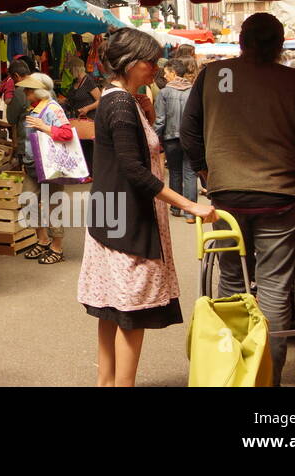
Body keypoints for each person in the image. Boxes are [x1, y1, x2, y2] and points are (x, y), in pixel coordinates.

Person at [180, 13, 295, 385]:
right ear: (280, 44)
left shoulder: (213, 75)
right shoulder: (294, 81)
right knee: (276, 288)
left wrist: (204, 170)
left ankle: (231, 375)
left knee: (231, 282)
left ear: (242, 41)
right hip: (282, 197)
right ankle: (267, 377)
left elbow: (188, 130)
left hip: (227, 195)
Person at [78, 27, 218, 387]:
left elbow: (132, 153)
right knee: (130, 312)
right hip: (128, 222)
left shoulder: (119, 99)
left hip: (112, 216)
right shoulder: (121, 102)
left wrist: (151, 114)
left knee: (112, 309)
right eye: (149, 61)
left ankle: (106, 383)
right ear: (127, 63)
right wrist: (192, 204)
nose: (156, 67)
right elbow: (135, 170)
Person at [20, 72, 75, 265]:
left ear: (38, 91)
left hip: (50, 166)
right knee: (28, 200)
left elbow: (67, 133)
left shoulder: (52, 108)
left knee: (53, 205)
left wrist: (44, 127)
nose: (25, 91)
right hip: (33, 165)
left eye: (29, 89)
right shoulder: (34, 107)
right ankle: (42, 240)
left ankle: (56, 248)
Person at [154, 57, 197, 221]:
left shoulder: (164, 92)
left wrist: (152, 136)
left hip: (171, 139)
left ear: (173, 73)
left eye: (166, 73)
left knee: (175, 172)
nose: (164, 76)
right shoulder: (193, 90)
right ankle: (190, 213)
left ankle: (176, 207)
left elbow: (160, 120)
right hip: (190, 138)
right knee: (190, 173)